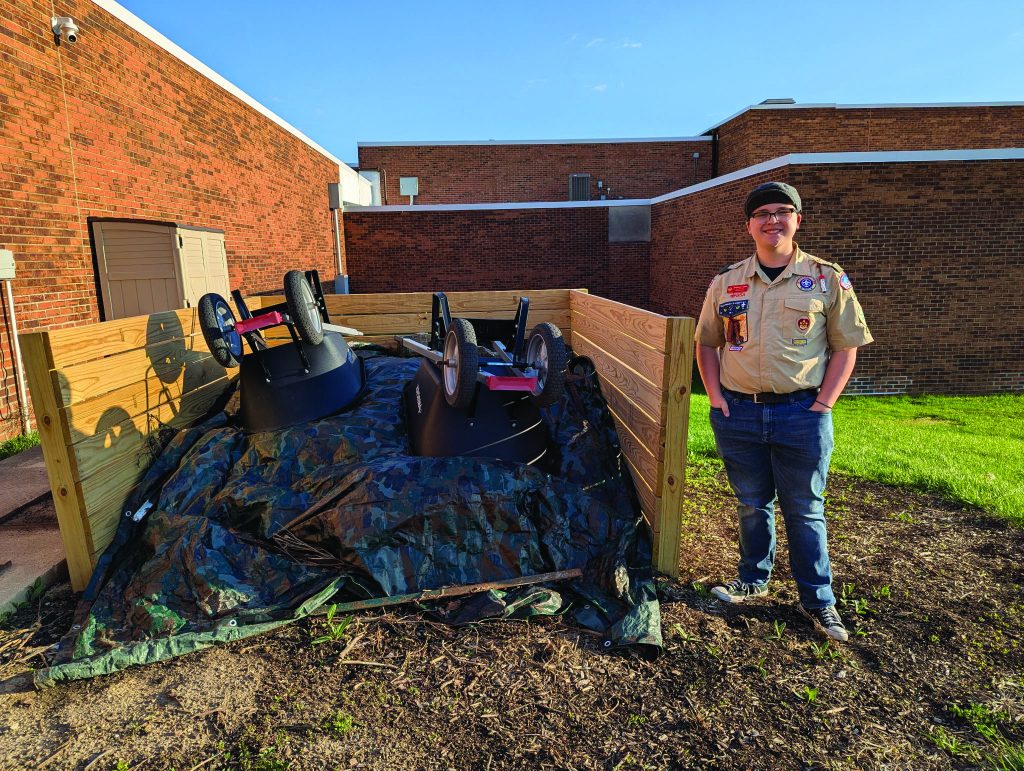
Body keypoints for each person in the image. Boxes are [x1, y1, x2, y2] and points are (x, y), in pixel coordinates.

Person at [694, 181, 873, 642]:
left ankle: (819, 601)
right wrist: (715, 397)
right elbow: (707, 343)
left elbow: (846, 347)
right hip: (739, 413)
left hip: (801, 413)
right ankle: (752, 579)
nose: (772, 220)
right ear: (749, 224)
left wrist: (822, 405)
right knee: (752, 504)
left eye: (782, 211)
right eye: (763, 213)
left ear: (798, 220)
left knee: (805, 509)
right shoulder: (726, 282)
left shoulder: (826, 277)